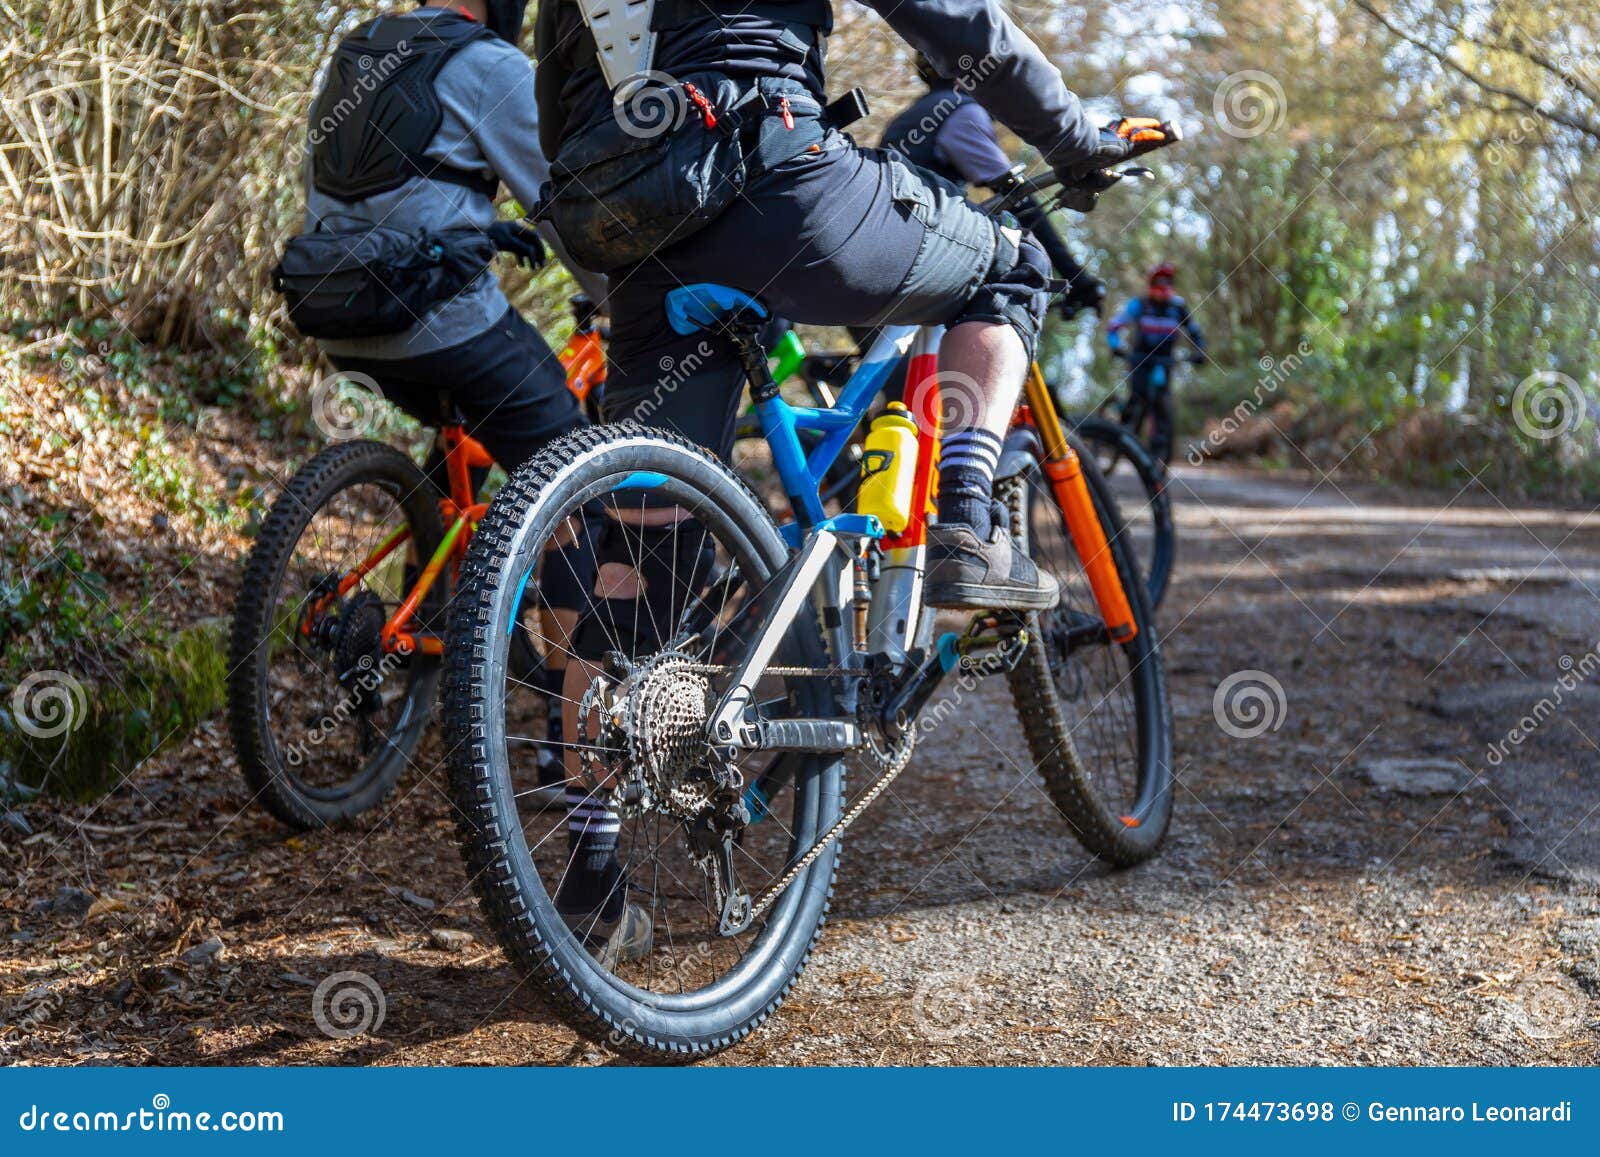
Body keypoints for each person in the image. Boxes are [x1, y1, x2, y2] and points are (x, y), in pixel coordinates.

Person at [532, 0, 1173, 958]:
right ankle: (963, 515)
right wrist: (1076, 139)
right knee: (1011, 269)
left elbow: (559, 103)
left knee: (635, 559)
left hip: (631, 227)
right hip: (777, 187)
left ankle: (587, 876)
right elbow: (964, 27)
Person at [301, 0, 598, 799]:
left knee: (459, 438)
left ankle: (426, 626)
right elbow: (563, 204)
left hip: (343, 317)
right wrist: (622, 291)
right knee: (577, 483)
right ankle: (570, 742)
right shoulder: (490, 66)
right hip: (442, 326)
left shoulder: (357, 49)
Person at [879, 52, 1105, 318]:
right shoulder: (960, 111)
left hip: (883, 248)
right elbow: (1017, 198)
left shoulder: (918, 112)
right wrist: (1076, 276)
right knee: (1018, 273)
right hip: (911, 255)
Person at [1106, 262, 1207, 463]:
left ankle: (1158, 451)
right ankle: (1120, 434)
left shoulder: (1178, 307)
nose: (1163, 287)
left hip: (1165, 361)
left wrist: (1200, 351)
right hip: (1140, 359)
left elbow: (1195, 332)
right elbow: (1114, 326)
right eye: (1159, 283)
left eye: (1167, 282)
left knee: (1162, 401)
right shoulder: (1140, 305)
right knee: (1137, 398)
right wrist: (1115, 346)